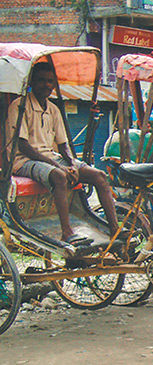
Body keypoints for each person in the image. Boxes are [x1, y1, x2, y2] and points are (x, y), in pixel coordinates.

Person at [6, 62, 119, 246]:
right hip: (24, 161)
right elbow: (23, 146)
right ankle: (67, 232)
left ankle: (114, 229)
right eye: (42, 80)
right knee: (60, 176)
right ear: (32, 81)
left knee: (99, 175)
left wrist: (72, 164)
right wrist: (60, 166)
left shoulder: (53, 109)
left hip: (50, 158)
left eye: (50, 81)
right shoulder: (19, 106)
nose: (46, 85)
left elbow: (63, 144)